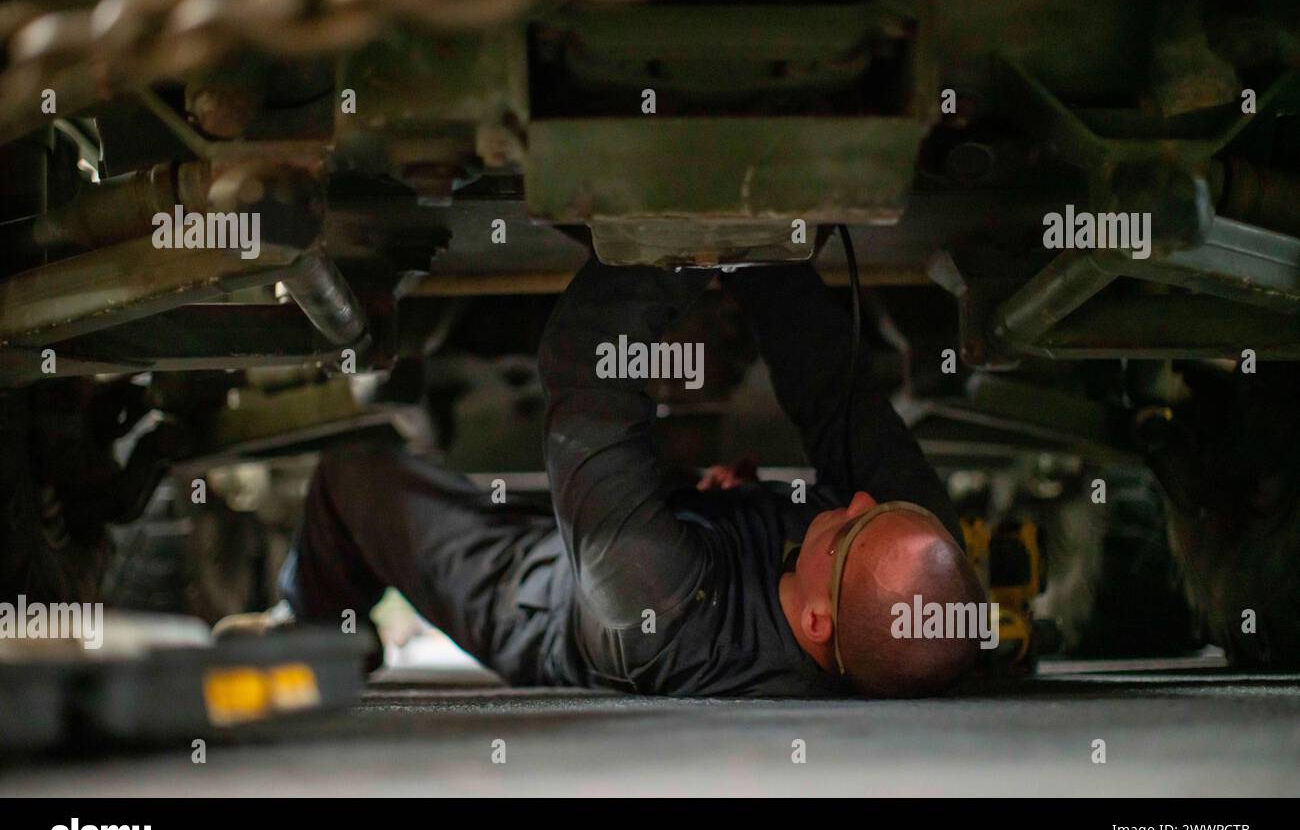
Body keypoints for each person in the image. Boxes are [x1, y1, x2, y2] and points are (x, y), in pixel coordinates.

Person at [228, 259, 986, 697]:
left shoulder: (658, 607)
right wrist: (769, 244)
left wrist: (673, 240)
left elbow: (585, 366)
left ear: (817, 622)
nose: (860, 501)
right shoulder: (913, 562)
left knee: (353, 478)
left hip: (541, 592)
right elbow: (834, 391)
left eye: (850, 528)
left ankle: (318, 632)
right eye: (875, 512)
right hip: (657, 527)